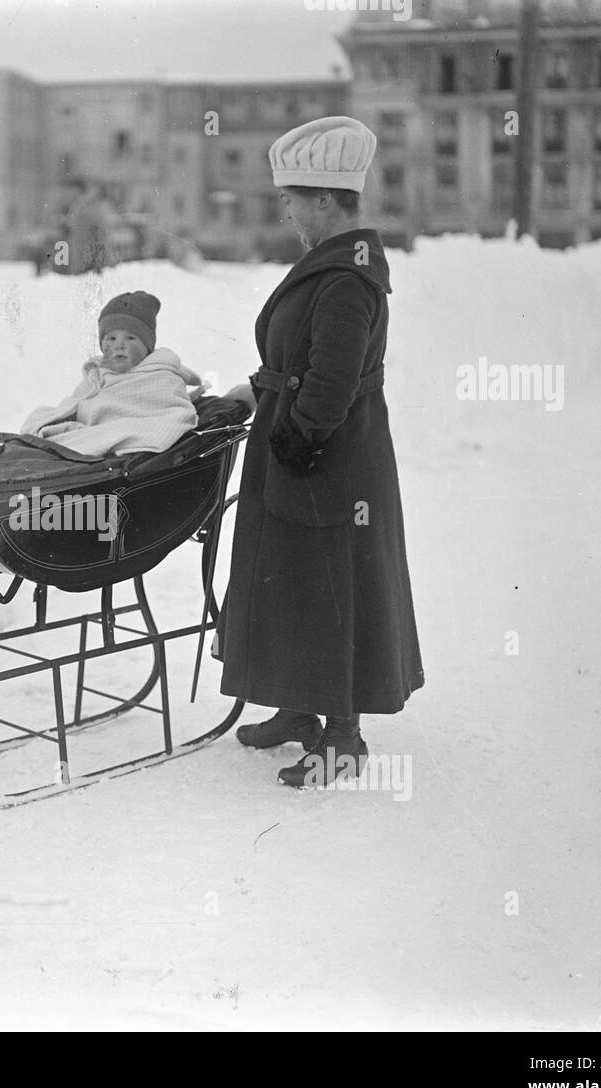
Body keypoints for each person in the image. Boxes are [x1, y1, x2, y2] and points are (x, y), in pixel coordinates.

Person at [216, 116, 424, 790]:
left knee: (332, 581)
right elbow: (298, 359)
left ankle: (343, 733)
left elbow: (331, 377)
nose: (287, 210)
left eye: (292, 199)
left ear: (327, 200)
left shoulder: (347, 277)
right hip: (307, 444)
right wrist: (252, 397)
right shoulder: (334, 265)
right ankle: (301, 708)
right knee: (297, 577)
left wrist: (299, 436)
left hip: (329, 455)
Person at [19, 291, 202, 457]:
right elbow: (78, 404)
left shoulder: (162, 373)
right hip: (94, 433)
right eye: (111, 338)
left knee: (118, 431)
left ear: (147, 346)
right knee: (40, 415)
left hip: (125, 435)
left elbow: (172, 414)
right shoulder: (96, 375)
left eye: (131, 338)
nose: (119, 345)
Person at [59, 177, 114, 275]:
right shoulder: (81, 203)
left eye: (70, 189)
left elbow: (96, 224)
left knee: (89, 278)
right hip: (86, 251)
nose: (68, 193)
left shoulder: (84, 203)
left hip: (87, 252)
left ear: (77, 189)